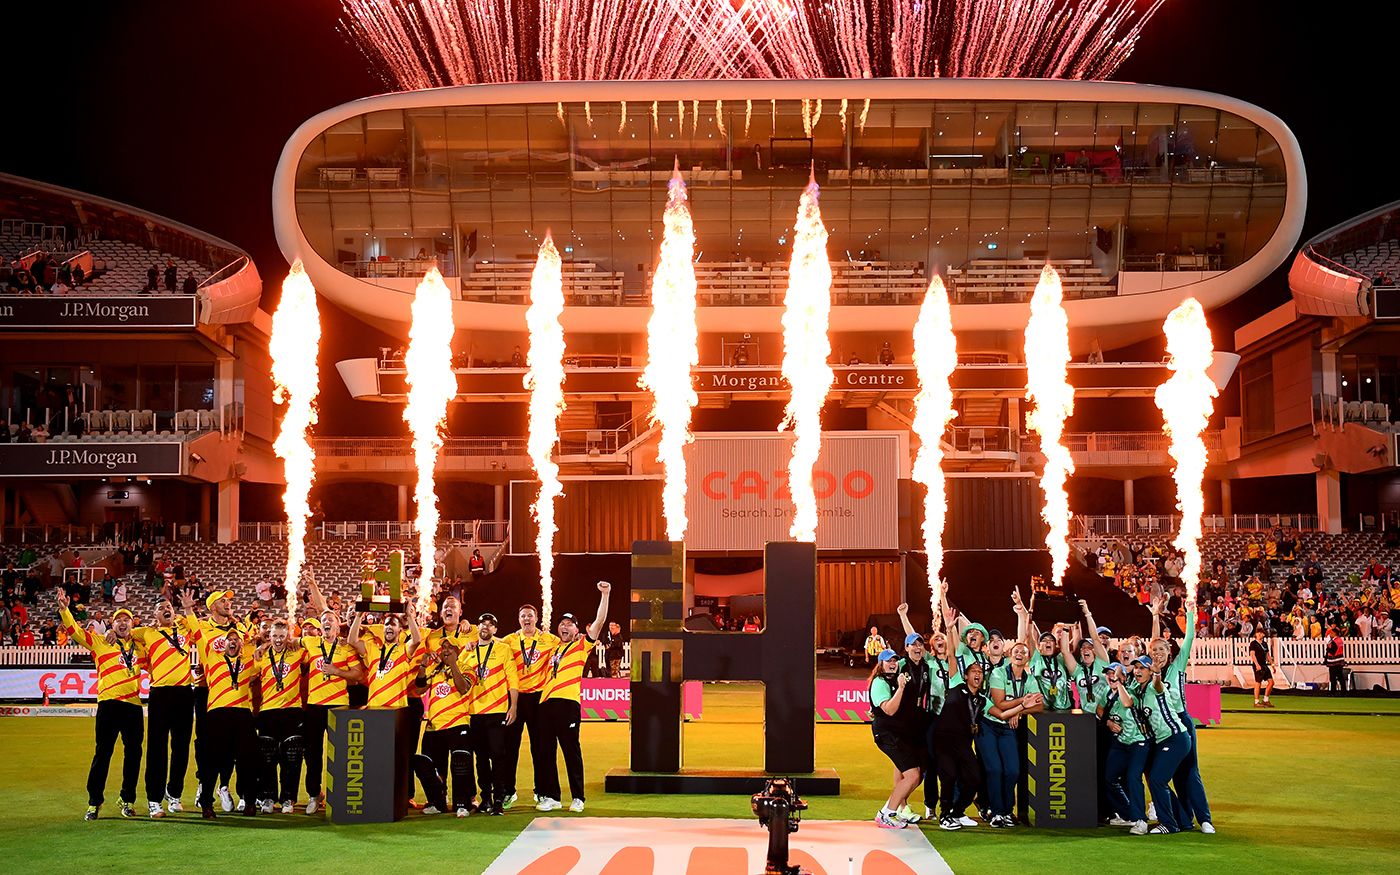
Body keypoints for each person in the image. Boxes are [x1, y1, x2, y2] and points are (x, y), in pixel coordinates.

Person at [58, 590, 145, 821]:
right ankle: (94, 802)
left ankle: (127, 799)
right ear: (112, 624)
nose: (123, 622)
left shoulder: (138, 647)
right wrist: (65, 610)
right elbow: (74, 632)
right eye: (118, 619)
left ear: (132, 624)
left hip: (134, 706)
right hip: (108, 705)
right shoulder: (99, 642)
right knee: (103, 753)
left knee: (134, 755)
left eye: (127, 619)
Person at [182, 589, 261, 819]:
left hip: (243, 713)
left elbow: (263, 657)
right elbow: (195, 630)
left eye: (237, 639)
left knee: (248, 759)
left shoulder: (247, 662)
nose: (234, 642)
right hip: (216, 712)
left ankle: (248, 800)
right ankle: (206, 801)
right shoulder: (210, 653)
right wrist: (188, 608)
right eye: (222, 600)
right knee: (212, 759)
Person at [535, 581, 611, 813]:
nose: (565, 627)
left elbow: (599, 622)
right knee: (546, 753)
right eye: (562, 624)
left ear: (577, 629)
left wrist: (605, 594)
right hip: (546, 705)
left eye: (570, 624)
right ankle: (553, 797)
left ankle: (578, 797)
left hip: (568, 704)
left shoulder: (581, 646)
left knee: (570, 751)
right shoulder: (553, 649)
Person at [1151, 601, 1215, 834]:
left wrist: (1189, 613)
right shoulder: (1150, 672)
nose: (1158, 653)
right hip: (1162, 727)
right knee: (1173, 774)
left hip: (1181, 722)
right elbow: (1153, 638)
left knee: (1190, 771)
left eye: (1162, 649)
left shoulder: (1178, 666)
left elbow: (1188, 639)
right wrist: (1155, 616)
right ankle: (1184, 818)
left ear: (1169, 652)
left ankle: (1204, 818)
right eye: (1154, 650)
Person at [130, 599, 195, 818]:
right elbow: (124, 631)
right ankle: (154, 800)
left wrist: (187, 610)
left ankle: (174, 794)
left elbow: (201, 630)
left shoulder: (185, 627)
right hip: (160, 694)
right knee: (157, 749)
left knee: (182, 747)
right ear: (154, 615)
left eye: (169, 607)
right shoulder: (146, 633)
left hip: (185, 693)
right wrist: (111, 631)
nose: (166, 609)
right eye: (161, 608)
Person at [299, 607, 363, 813]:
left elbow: (358, 674)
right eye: (323, 620)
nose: (327, 623)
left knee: (342, 754)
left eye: (331, 621)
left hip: (338, 706)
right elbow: (289, 643)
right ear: (320, 627)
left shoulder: (345, 648)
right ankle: (314, 795)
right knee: (312, 753)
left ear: (337, 627)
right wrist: (263, 647)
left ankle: (341, 793)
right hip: (315, 706)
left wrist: (337, 671)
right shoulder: (310, 643)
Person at [460, 611, 519, 815]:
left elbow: (513, 680)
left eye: (490, 624)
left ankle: (499, 799)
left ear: (495, 629)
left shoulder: (503, 649)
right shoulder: (467, 651)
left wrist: (513, 706)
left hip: (497, 711)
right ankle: (485, 797)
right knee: (481, 758)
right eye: (482, 623)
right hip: (474, 712)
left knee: (498, 756)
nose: (485, 627)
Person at [980, 641, 1043, 827]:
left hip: (1008, 728)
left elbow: (1040, 705)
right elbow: (999, 703)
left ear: (1028, 657)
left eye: (1024, 652)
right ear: (1009, 654)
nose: (1020, 655)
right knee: (994, 770)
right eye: (1016, 651)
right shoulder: (998, 673)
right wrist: (1024, 701)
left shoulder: (1030, 679)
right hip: (989, 724)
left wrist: (1017, 712)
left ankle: (1006, 811)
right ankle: (997, 811)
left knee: (1013, 771)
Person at [414, 636, 476, 817]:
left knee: (460, 763)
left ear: (458, 651)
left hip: (458, 723)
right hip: (434, 726)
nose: (446, 650)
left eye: (450, 647)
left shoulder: (466, 668)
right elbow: (419, 689)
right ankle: (438, 802)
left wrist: (453, 665)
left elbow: (463, 688)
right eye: (443, 647)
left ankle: (463, 804)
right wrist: (423, 667)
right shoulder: (435, 670)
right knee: (426, 765)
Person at [1131, 654, 1191, 834]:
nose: (1138, 671)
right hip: (1163, 741)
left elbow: (1158, 685)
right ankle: (1182, 820)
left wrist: (1157, 674)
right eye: (1136, 668)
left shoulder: (1154, 686)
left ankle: (1169, 824)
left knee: (1157, 779)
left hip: (1175, 738)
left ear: (1150, 671)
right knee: (1156, 779)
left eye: (1142, 668)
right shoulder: (1139, 690)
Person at [253, 618, 307, 813]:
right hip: (268, 711)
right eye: (274, 636)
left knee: (292, 757)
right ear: (270, 636)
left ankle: (288, 799)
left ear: (288, 636)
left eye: (282, 636)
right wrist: (262, 646)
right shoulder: (261, 656)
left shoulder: (297, 652)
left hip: (292, 711)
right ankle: (268, 797)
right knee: (267, 757)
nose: (278, 640)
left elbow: (313, 645)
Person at [866, 648, 920, 829]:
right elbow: (889, 709)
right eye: (888, 661)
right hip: (887, 734)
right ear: (880, 664)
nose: (892, 664)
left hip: (898, 733)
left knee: (907, 772)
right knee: (913, 775)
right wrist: (902, 687)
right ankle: (886, 813)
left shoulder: (894, 677)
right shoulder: (880, 682)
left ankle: (893, 809)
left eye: (895, 661)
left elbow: (911, 656)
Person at [932, 660, 985, 831]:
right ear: (965, 676)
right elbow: (953, 655)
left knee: (975, 777)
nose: (977, 674)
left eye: (980, 671)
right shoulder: (957, 685)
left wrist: (1022, 706)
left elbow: (1000, 712)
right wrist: (949, 631)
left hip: (963, 743)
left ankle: (958, 812)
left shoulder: (981, 700)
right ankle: (945, 815)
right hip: (944, 740)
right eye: (974, 671)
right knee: (949, 776)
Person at [1103, 662, 1150, 833]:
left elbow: (1127, 703)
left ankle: (1141, 820)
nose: (1111, 677)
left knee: (1133, 777)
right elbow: (1099, 709)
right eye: (1108, 674)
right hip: (1121, 742)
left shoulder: (1134, 689)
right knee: (1110, 777)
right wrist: (1107, 722)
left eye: (1114, 674)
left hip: (1139, 741)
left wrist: (1120, 684)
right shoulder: (1106, 694)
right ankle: (1128, 814)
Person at [1324, 626, 1346, 692]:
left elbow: (1332, 651)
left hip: (1333, 662)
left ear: (1334, 633)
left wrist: (1328, 648)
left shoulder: (1334, 642)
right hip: (1340, 661)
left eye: (1331, 633)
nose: (1330, 634)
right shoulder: (1340, 640)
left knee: (1333, 678)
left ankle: (1333, 691)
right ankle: (1343, 691)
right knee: (1340, 677)